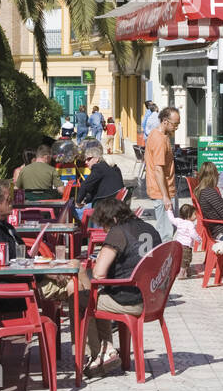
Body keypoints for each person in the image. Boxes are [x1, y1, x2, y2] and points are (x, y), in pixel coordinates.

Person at [81, 197, 161, 372]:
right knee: (98, 296)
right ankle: (107, 349)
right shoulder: (150, 229)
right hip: (154, 299)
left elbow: (99, 274)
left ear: (114, 220)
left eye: (104, 224)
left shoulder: (118, 232)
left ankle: (96, 355)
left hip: (130, 301)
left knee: (80, 299)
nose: (104, 230)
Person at [143, 105, 179, 242]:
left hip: (166, 190)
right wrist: (165, 196)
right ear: (165, 121)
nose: (177, 127)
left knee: (170, 229)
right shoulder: (159, 139)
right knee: (166, 233)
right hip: (162, 192)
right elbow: (158, 169)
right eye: (175, 124)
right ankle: (165, 262)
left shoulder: (160, 135)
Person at [74, 140, 123, 221]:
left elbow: (85, 185)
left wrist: (78, 203)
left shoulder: (98, 167)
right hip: (115, 204)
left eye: (88, 159)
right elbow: (94, 188)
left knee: (74, 210)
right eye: (85, 160)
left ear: (96, 159)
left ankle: (90, 230)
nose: (86, 162)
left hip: (106, 206)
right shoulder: (113, 167)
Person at [171, 203, 201, 278]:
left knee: (181, 259)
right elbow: (193, 234)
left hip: (178, 245)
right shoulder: (190, 224)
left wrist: (169, 211)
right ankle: (181, 274)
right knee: (186, 260)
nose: (196, 216)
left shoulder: (178, 221)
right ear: (188, 215)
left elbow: (171, 219)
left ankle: (188, 272)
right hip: (186, 246)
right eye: (194, 214)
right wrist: (199, 239)